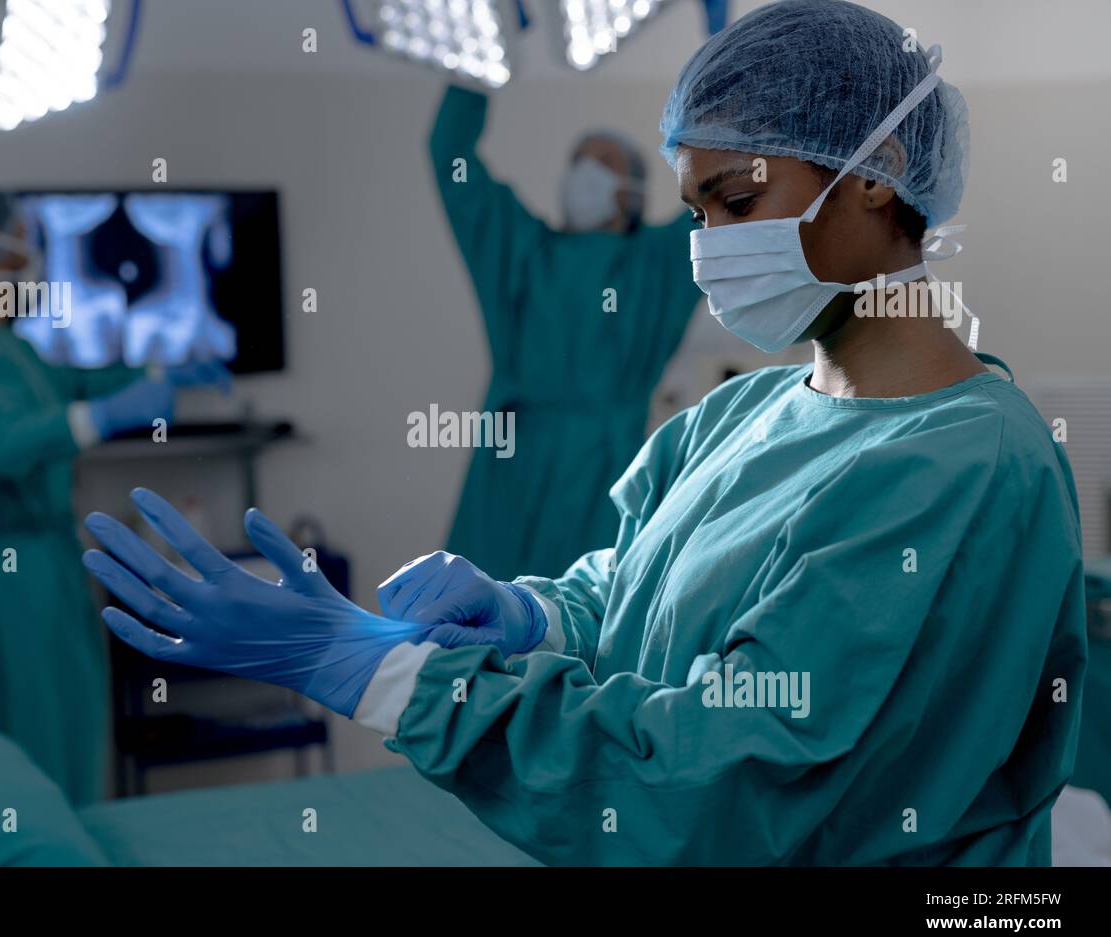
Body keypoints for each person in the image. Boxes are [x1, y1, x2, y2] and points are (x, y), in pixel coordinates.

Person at [81, 0, 1086, 864]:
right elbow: (632, 583)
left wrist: (386, 675)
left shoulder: (959, 467)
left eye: (737, 199)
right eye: (695, 214)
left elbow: (725, 783)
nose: (709, 250)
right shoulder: (740, 414)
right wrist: (535, 615)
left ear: (878, 170)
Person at [0, 188, 228, 805]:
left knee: (65, 739)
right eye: (27, 240)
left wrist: (157, 374)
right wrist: (97, 418)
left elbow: (69, 380)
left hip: (39, 571)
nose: (36, 257)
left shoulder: (3, 346)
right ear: (1, 255)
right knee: (16, 757)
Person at [429, 83, 704, 580]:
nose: (583, 171)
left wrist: (716, 74)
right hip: (509, 461)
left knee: (583, 629)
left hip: (606, 470)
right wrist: (473, 65)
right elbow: (450, 156)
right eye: (576, 160)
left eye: (602, 160)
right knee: (472, 624)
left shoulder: (658, 266)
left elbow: (725, 192)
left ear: (634, 190)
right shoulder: (522, 252)